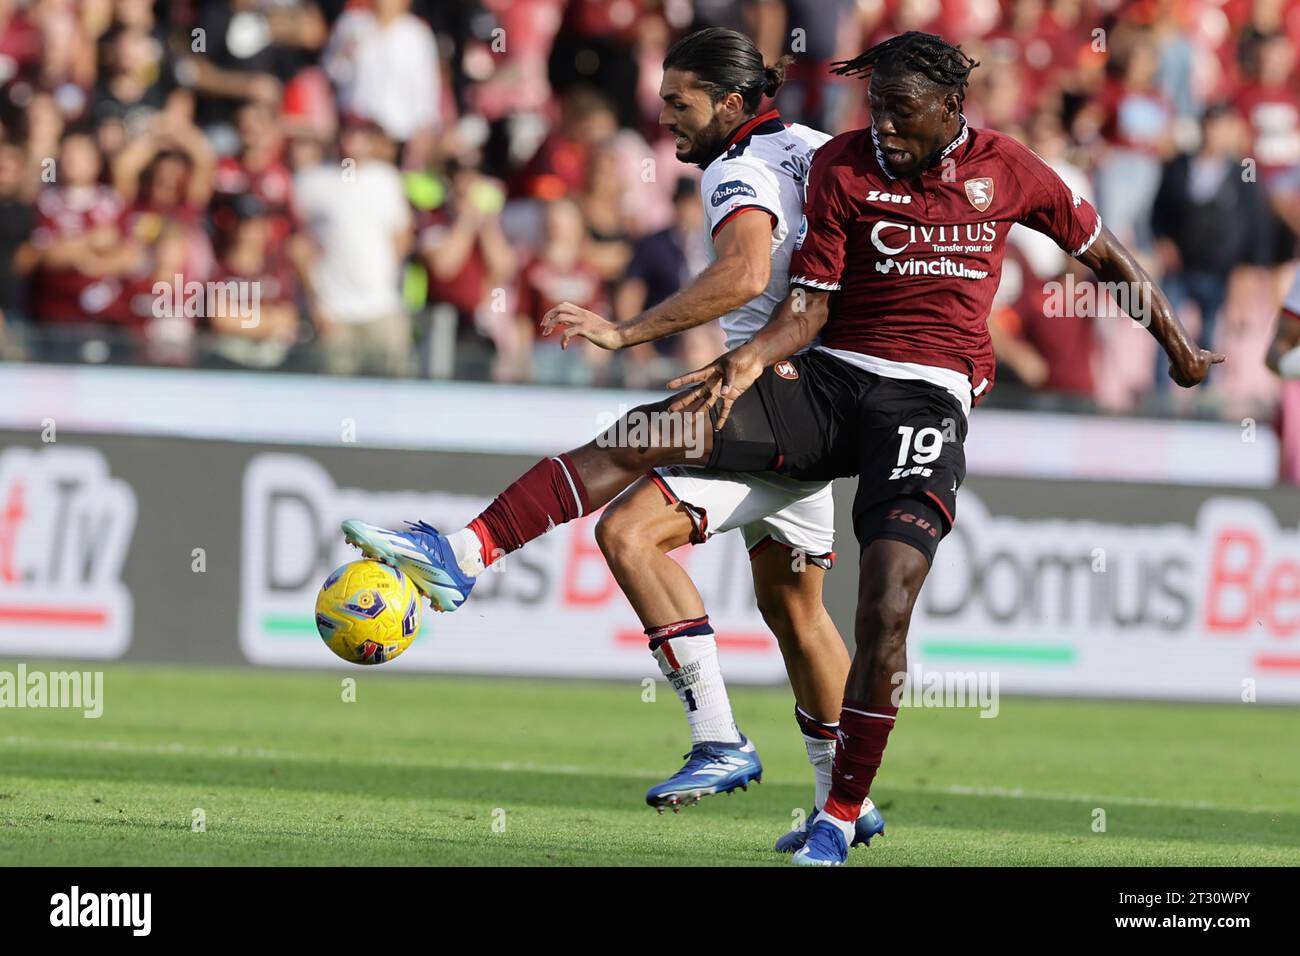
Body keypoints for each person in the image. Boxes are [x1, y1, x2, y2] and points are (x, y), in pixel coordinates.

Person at [666, 31, 1221, 864]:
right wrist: (744, 359)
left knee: (884, 602)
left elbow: (1101, 253)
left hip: (928, 397)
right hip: (831, 382)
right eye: (876, 107)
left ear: (953, 108)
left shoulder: (1009, 169)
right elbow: (811, 307)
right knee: (666, 454)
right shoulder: (841, 167)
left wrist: (1174, 344)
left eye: (903, 110)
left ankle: (839, 815)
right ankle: (488, 542)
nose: (884, 126)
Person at [342, 27, 865, 850]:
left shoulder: (738, 168)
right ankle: (846, 798)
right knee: (796, 609)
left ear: (731, 103)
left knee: (631, 475)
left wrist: (627, 333)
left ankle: (470, 552)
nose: (665, 120)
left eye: (679, 103)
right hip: (831, 394)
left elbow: (743, 274)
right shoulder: (812, 146)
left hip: (785, 394)